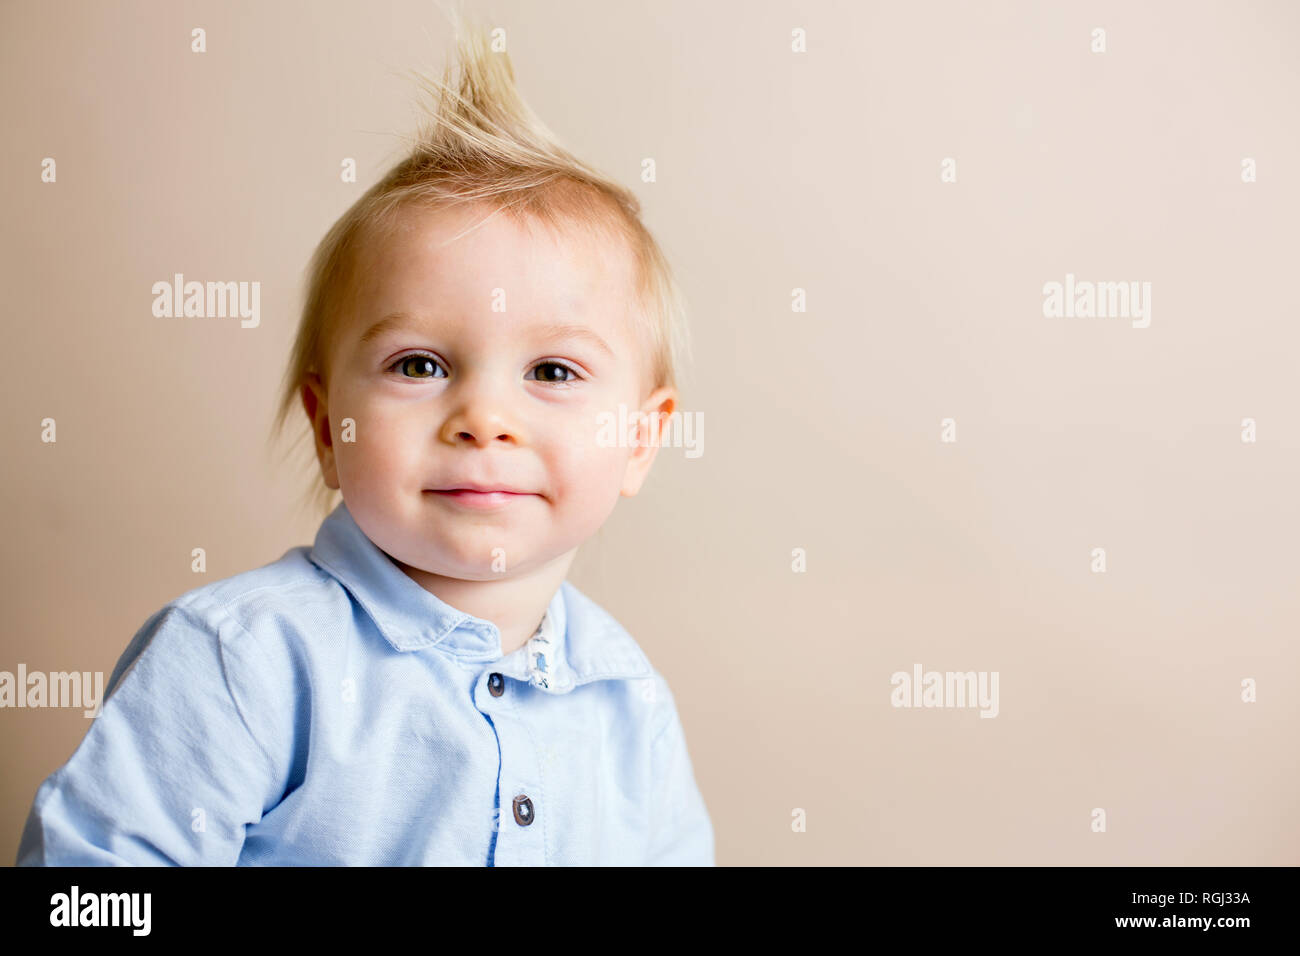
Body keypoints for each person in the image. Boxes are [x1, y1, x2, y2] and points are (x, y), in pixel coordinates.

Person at [16, 12, 712, 866]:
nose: (483, 418)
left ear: (641, 441)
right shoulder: (249, 659)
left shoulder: (627, 701)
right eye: (418, 365)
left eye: (554, 373)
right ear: (326, 428)